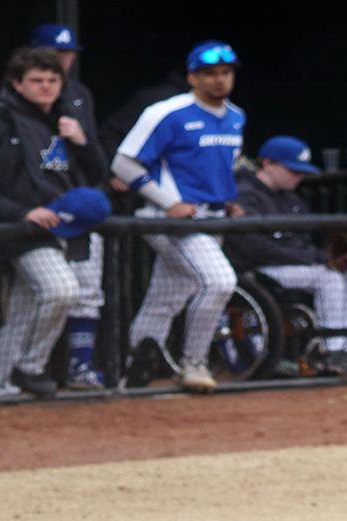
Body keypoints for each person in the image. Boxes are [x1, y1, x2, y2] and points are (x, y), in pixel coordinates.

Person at [113, 40, 248, 393]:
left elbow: (224, 166)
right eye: (209, 73)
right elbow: (123, 162)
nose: (219, 80)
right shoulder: (168, 111)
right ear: (191, 77)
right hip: (169, 218)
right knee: (219, 281)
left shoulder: (236, 115)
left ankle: (135, 373)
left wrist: (230, 199)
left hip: (212, 217)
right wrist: (167, 201)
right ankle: (194, 362)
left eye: (225, 72)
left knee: (166, 298)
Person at [0, 47, 111, 396]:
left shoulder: (65, 117)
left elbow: (100, 174)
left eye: (53, 80)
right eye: (36, 80)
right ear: (16, 84)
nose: (46, 87)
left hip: (61, 224)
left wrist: (83, 142)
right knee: (62, 290)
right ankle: (31, 366)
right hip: (20, 225)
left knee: (25, 308)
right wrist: (19, 213)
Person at [226, 135, 347, 371]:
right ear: (268, 164)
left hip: (294, 266)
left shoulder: (292, 198)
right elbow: (253, 247)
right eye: (293, 170)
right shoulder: (244, 193)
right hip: (258, 268)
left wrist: (323, 258)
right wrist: (316, 261)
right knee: (329, 277)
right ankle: (331, 350)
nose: (300, 176)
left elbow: (304, 241)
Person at [24, 23, 110, 389]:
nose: (63, 60)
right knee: (41, 297)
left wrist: (83, 140)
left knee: (87, 289)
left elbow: (96, 165)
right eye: (54, 53)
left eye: (68, 53)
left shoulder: (78, 94)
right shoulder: (14, 102)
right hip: (38, 212)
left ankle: (79, 364)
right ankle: (23, 370)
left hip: (77, 205)